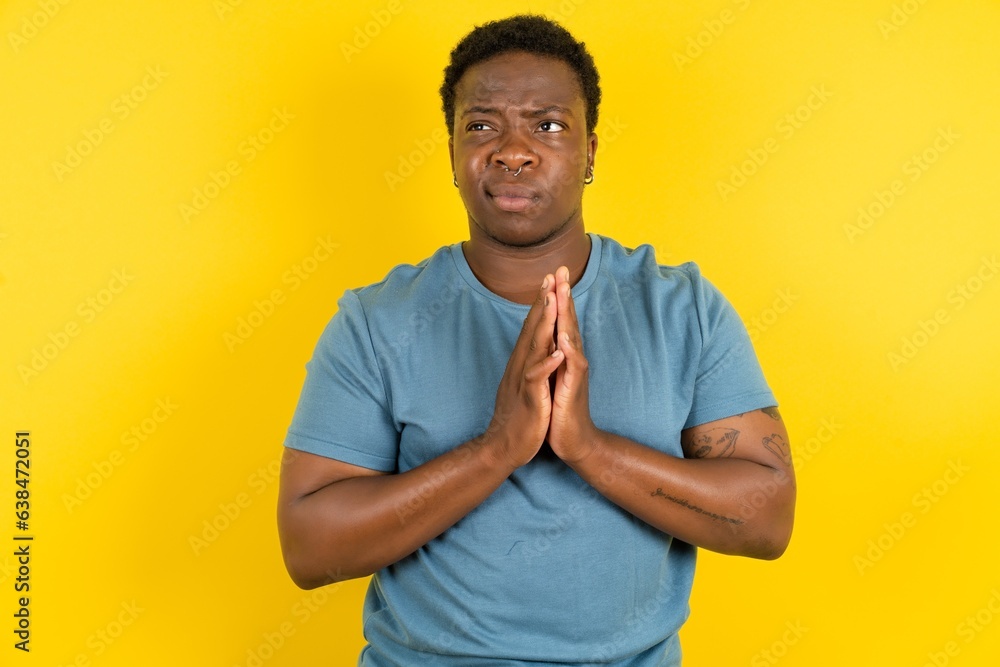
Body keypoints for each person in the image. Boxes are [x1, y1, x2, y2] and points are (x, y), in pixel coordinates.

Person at [277, 14, 795, 666]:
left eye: (547, 125)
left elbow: (767, 518)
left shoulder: (684, 309)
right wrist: (498, 448)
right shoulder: (374, 321)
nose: (512, 149)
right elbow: (308, 547)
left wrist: (589, 448)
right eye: (482, 124)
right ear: (452, 155)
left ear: (590, 153)